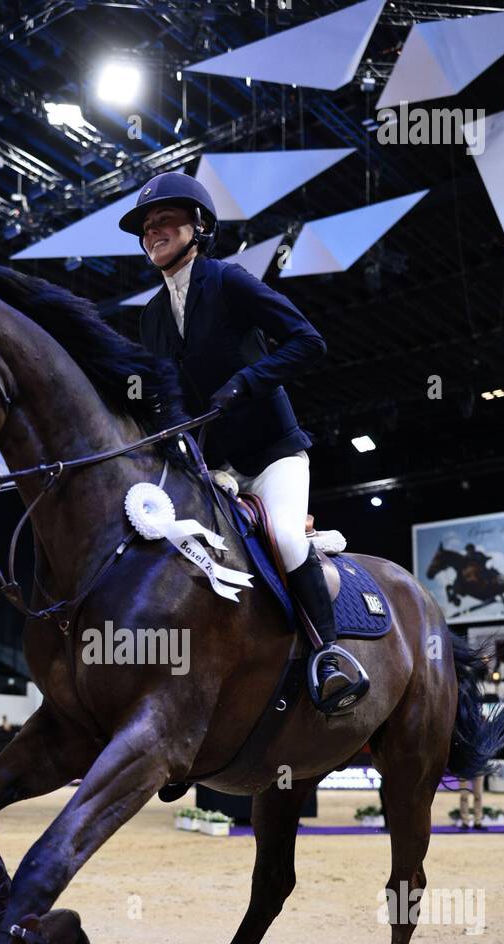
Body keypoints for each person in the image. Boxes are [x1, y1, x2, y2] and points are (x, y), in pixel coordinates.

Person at [119, 172, 367, 714]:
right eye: (145, 226)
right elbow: (165, 396)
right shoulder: (151, 317)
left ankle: (330, 659)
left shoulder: (229, 282)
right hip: (215, 465)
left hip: (273, 454)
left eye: (164, 220)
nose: (152, 232)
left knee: (282, 535)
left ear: (198, 227)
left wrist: (247, 380)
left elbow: (309, 341)